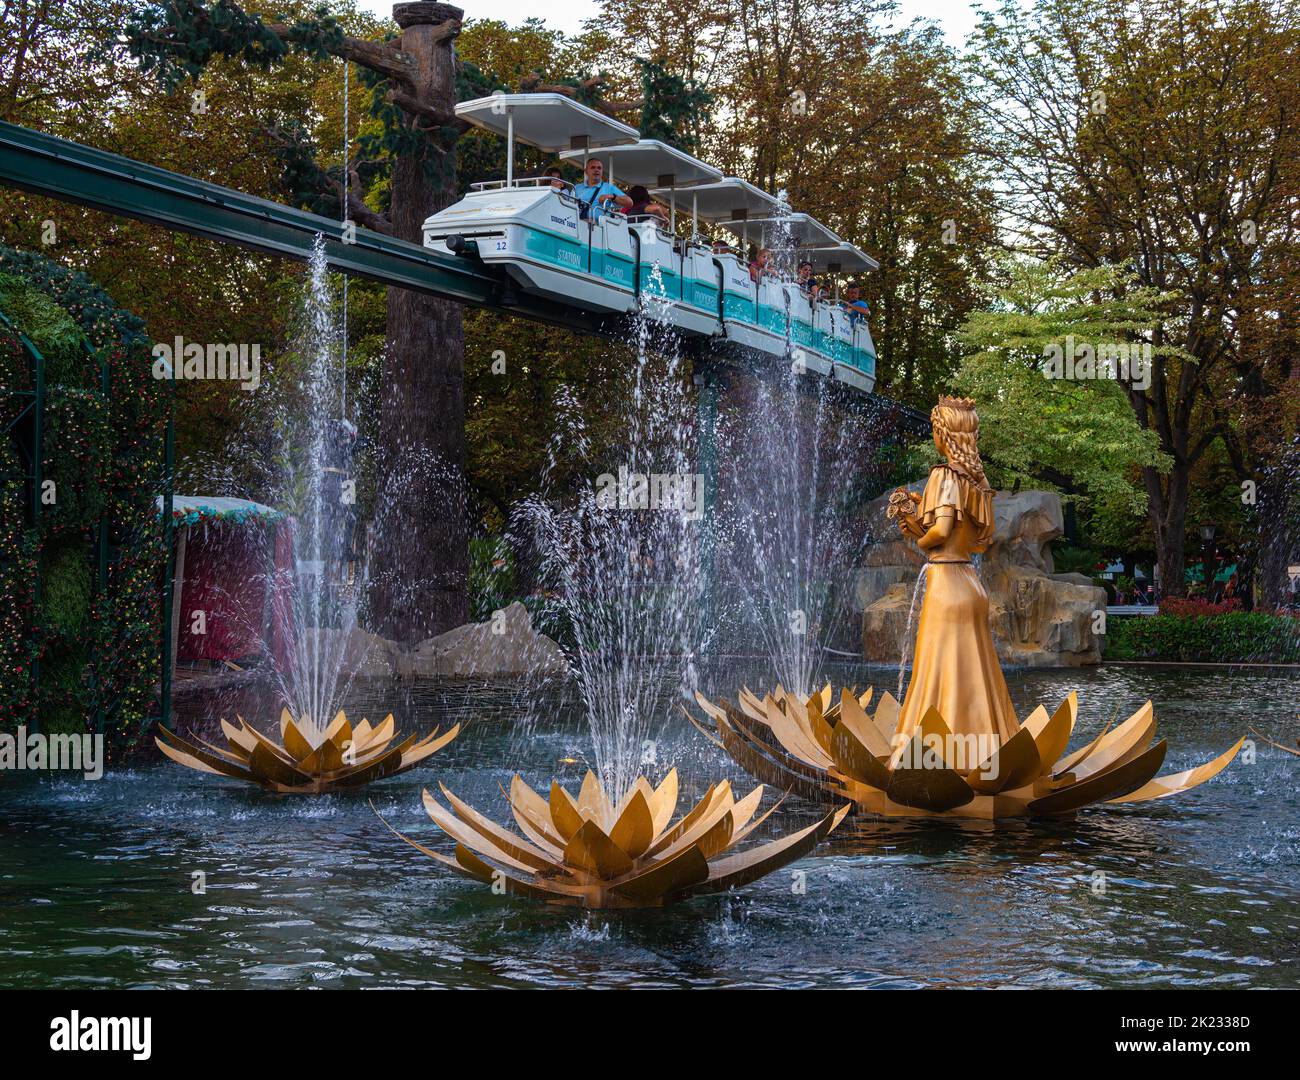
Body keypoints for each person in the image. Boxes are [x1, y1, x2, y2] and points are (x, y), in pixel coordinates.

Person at [890, 396, 1018, 752]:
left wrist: (919, 538)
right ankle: (988, 752)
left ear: (942, 434)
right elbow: (974, 540)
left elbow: (942, 531)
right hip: (970, 582)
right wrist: (919, 525)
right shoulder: (978, 483)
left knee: (938, 672)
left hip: (946, 583)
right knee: (977, 674)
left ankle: (933, 756)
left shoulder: (944, 476)